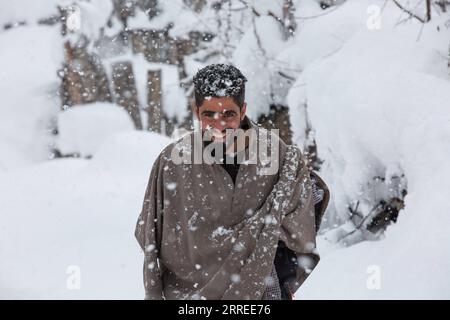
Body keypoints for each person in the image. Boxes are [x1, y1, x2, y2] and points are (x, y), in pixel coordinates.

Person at [135, 63, 329, 300]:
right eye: (209, 115)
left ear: (243, 109)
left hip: (262, 293)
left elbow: (305, 209)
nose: (219, 125)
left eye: (228, 114)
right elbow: (149, 234)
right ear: (196, 111)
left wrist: (268, 259)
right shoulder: (172, 163)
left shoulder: (277, 155)